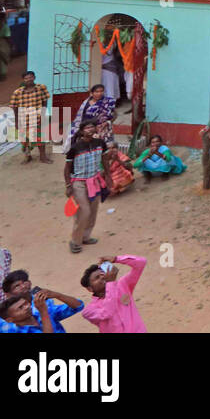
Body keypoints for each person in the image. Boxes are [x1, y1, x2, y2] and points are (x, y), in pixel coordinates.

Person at [64, 120, 108, 255]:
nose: (90, 129)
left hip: (94, 180)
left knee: (93, 210)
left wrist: (108, 177)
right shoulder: (75, 148)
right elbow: (67, 168)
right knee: (85, 211)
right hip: (79, 182)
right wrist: (68, 185)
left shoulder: (100, 144)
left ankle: (86, 237)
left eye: (92, 127)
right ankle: (75, 241)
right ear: (82, 131)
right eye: (87, 127)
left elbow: (105, 160)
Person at [80, 254, 147, 333]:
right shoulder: (88, 311)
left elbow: (141, 262)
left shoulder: (123, 285)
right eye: (97, 277)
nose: (102, 277)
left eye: (102, 274)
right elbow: (108, 312)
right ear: (90, 288)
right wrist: (110, 283)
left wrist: (117, 259)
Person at [9, 71, 51, 163]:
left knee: (40, 138)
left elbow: (45, 101)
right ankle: (28, 156)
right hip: (24, 120)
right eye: (26, 78)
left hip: (38, 118)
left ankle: (43, 157)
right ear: (23, 80)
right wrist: (16, 121)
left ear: (34, 77)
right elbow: (15, 108)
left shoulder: (41, 88)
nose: (29, 79)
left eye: (30, 77)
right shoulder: (17, 92)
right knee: (25, 140)